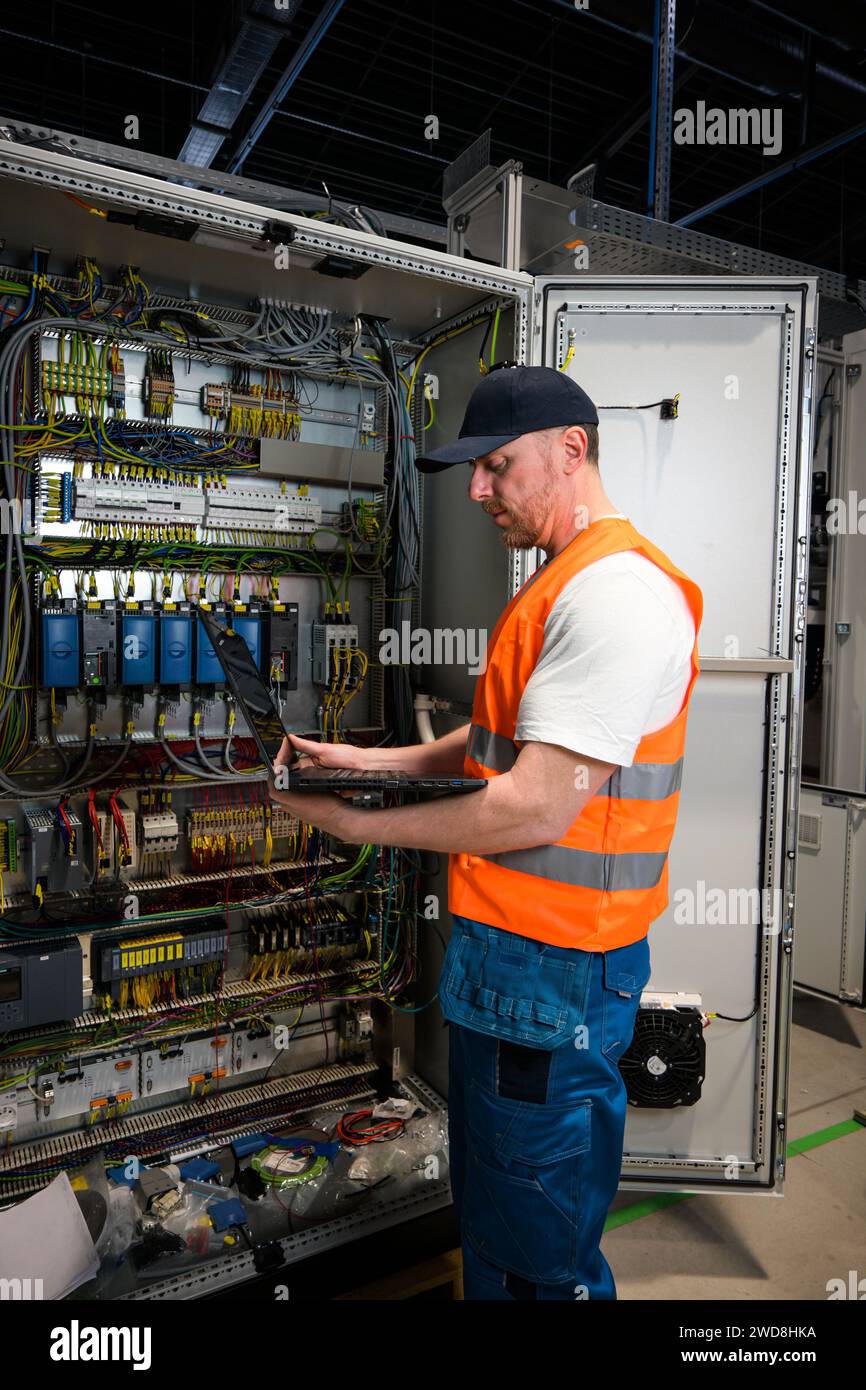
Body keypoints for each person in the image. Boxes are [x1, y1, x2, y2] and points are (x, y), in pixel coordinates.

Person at [272, 363, 703, 1301]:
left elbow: (534, 806)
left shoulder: (618, 594)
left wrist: (349, 822)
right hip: (511, 965)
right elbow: (503, 741)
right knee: (495, 1217)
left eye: (497, 467)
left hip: (555, 976)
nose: (476, 491)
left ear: (570, 451)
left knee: (534, 1254)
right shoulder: (564, 580)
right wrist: (362, 763)